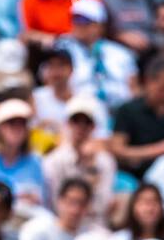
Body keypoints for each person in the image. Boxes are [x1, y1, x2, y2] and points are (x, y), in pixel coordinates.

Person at [110, 55, 164, 179]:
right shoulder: (128, 110)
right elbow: (117, 150)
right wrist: (160, 149)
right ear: (149, 82)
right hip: (138, 174)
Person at [42, 94, 117, 226]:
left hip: (94, 226)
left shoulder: (105, 161)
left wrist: (91, 167)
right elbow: (55, 202)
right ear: (68, 124)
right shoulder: (54, 160)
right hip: (60, 224)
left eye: (87, 122)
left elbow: (102, 205)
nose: (81, 127)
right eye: (76, 121)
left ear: (93, 126)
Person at [55, 0, 137, 112]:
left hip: (119, 111)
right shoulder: (62, 48)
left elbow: (134, 87)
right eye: (75, 19)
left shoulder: (120, 53)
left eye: (84, 20)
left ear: (100, 25)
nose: (78, 24)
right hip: (78, 111)